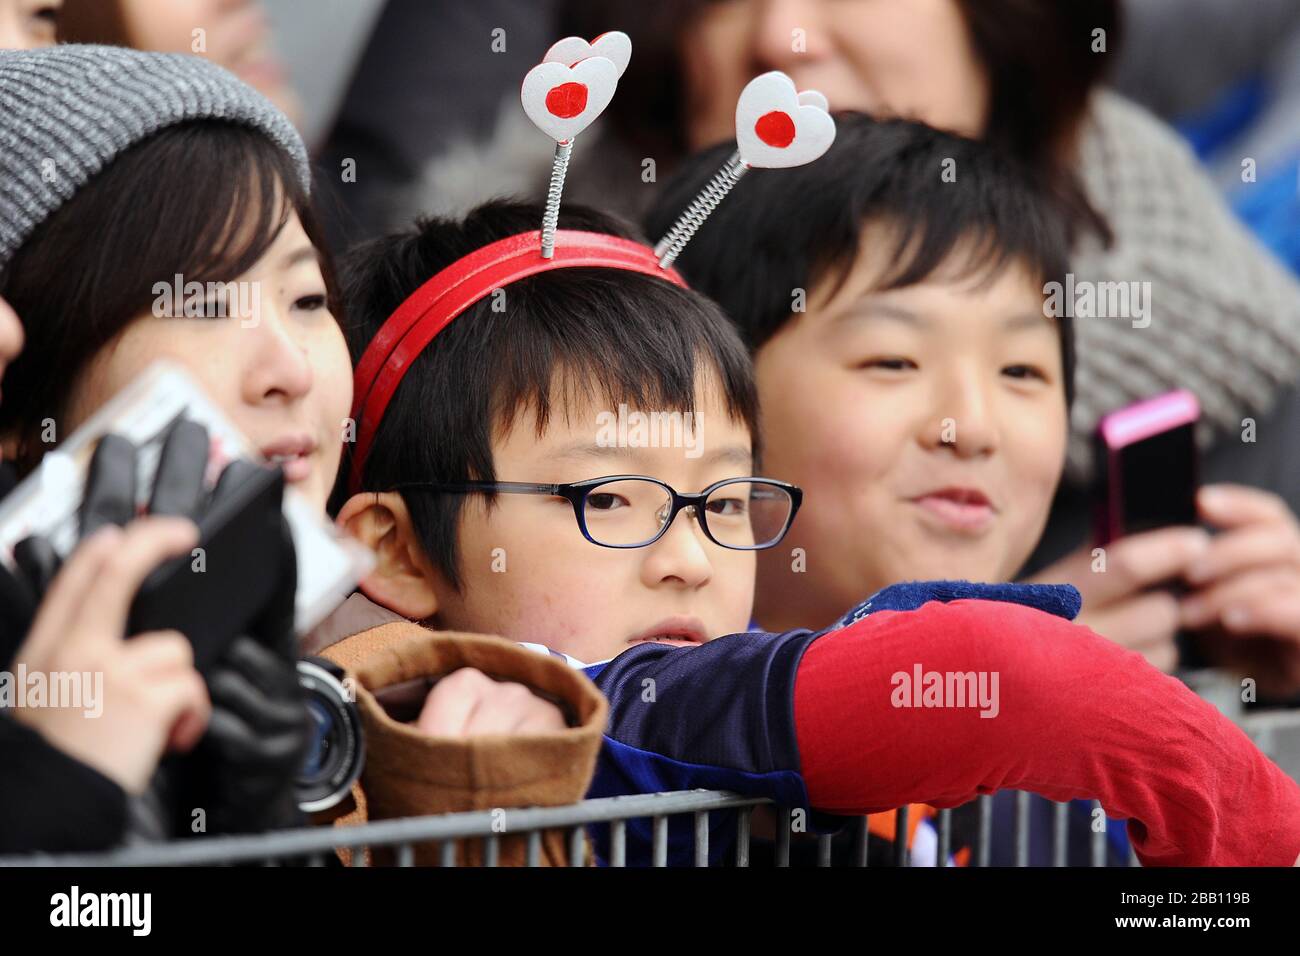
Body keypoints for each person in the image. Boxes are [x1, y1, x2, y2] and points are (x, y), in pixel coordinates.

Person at [333, 196, 1300, 867]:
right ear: (397, 548)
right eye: (607, 500)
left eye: (720, 504)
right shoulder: (579, 706)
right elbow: (1011, 678)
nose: (688, 563)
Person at [0, 45, 603, 862]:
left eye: (307, 297)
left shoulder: (394, 687)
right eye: (205, 303)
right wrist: (64, 797)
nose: (289, 370)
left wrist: (265, 826)